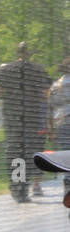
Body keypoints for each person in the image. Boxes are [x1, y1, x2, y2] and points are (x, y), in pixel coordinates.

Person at [0, 42, 51, 202]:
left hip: (12, 118)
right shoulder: (38, 70)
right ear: (29, 53)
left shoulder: (5, 70)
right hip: (31, 118)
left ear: (17, 52)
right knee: (27, 153)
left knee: (14, 153)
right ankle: (24, 190)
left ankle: (16, 188)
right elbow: (44, 94)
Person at [47, 57, 70, 210]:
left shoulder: (56, 85)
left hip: (63, 121)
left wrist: (51, 128)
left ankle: (67, 185)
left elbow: (51, 107)